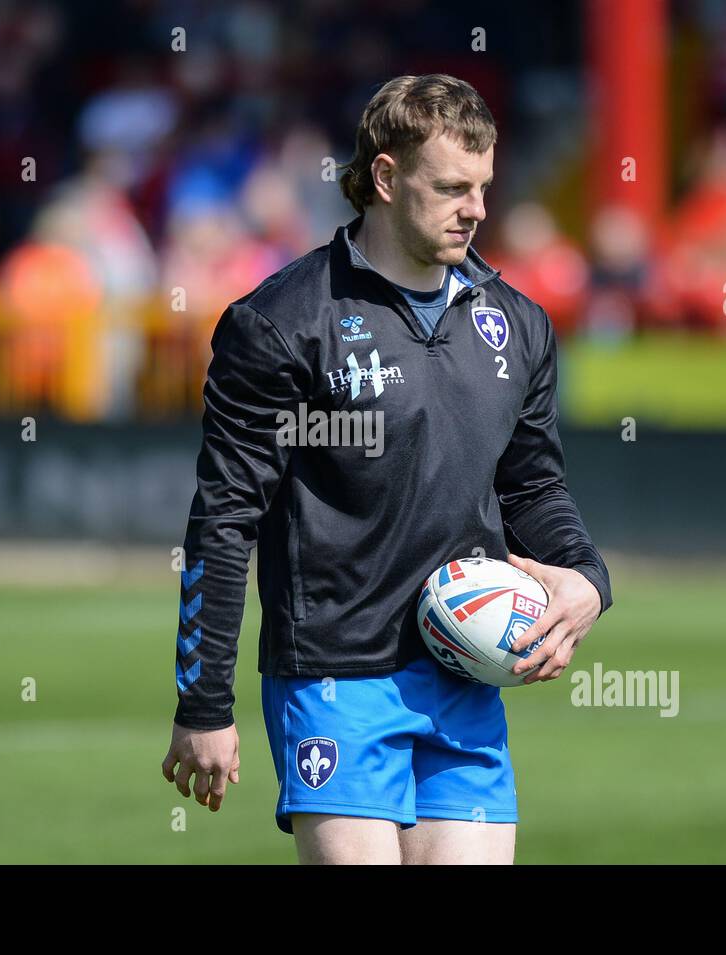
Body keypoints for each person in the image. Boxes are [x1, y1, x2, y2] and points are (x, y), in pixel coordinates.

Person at [161, 74, 613, 864]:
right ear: (384, 177)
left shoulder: (519, 324)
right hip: (335, 678)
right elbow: (225, 516)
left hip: (468, 674)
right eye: (451, 188)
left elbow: (532, 486)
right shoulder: (281, 325)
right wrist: (204, 702)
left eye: (482, 187)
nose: (475, 208)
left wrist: (584, 576)